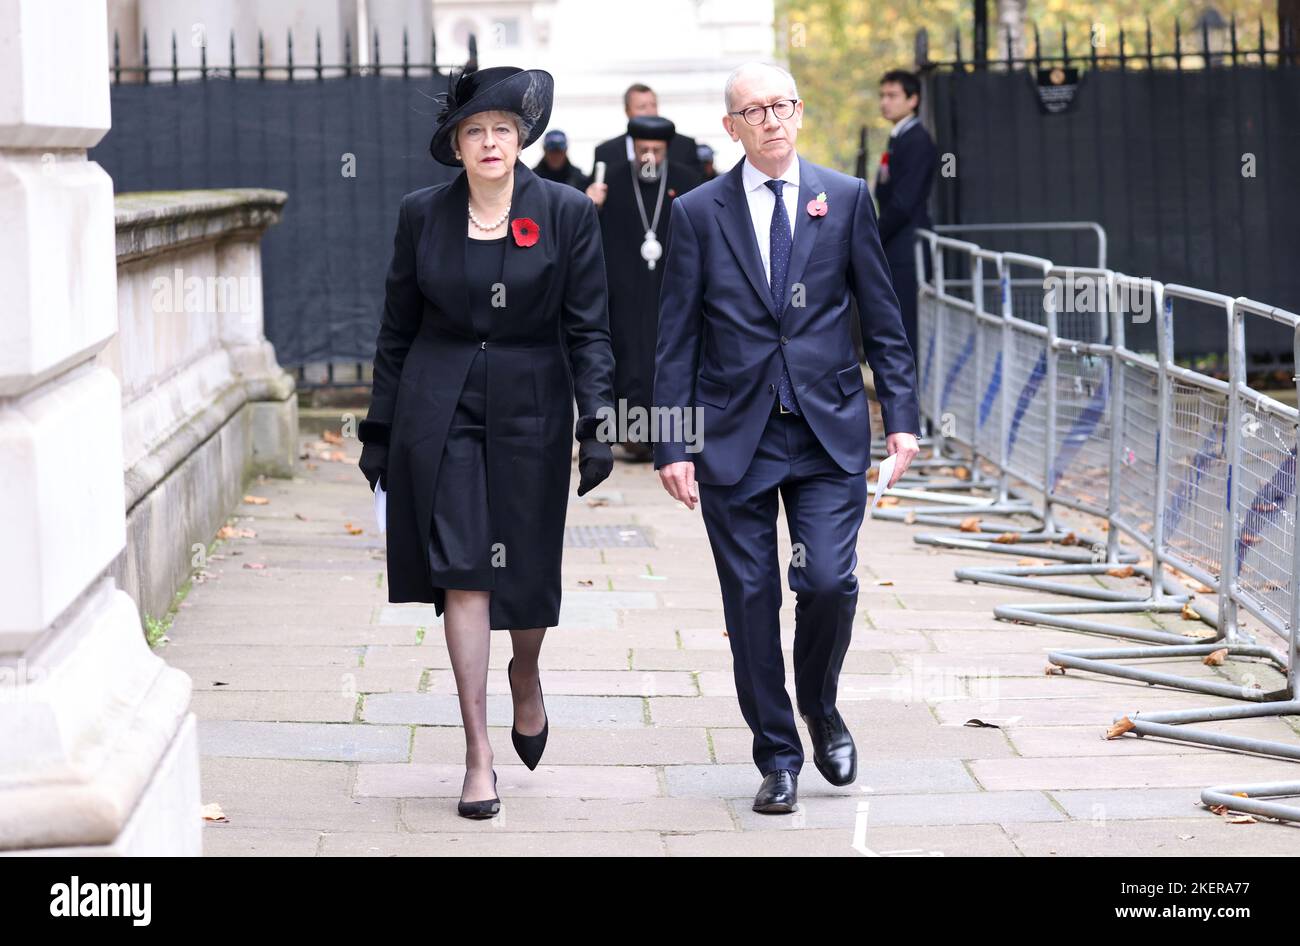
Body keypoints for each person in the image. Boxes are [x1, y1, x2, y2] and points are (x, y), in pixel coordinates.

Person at [652, 62, 921, 814]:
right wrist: (672, 444)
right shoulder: (699, 212)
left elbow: (884, 318)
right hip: (733, 435)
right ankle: (776, 755)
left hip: (827, 430)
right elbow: (675, 338)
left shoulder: (844, 198)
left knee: (829, 582)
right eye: (753, 110)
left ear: (799, 113)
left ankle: (822, 706)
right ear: (730, 126)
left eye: (781, 106)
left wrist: (900, 418)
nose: (771, 120)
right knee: (750, 598)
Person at [356, 66, 615, 820]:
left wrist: (598, 421)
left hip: (533, 406)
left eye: (503, 128)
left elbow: (588, 327)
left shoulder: (566, 213)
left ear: (522, 136)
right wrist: (378, 429)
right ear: (457, 145)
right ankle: (477, 753)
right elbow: (397, 330)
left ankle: (525, 676)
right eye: (476, 131)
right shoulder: (422, 215)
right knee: (464, 572)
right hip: (441, 410)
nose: (491, 142)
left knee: (524, 573)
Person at [596, 115, 702, 461]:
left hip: (672, 285)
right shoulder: (611, 179)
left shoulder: (687, 180)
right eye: (643, 150)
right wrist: (590, 202)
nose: (649, 159)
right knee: (627, 358)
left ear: (666, 150)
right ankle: (630, 436)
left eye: (656, 151)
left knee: (670, 355)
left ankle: (671, 436)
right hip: (624, 288)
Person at [875, 69, 937, 362]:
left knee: (905, 329)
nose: (885, 102)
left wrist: (872, 233)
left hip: (907, 249)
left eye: (892, 95)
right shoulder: (898, 137)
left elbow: (903, 202)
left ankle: (907, 399)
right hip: (896, 245)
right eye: (882, 96)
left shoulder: (917, 140)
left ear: (913, 100)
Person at [588, 82, 701, 208]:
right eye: (642, 107)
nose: (650, 112)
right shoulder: (606, 151)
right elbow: (597, 199)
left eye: (653, 105)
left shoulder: (684, 146)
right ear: (627, 111)